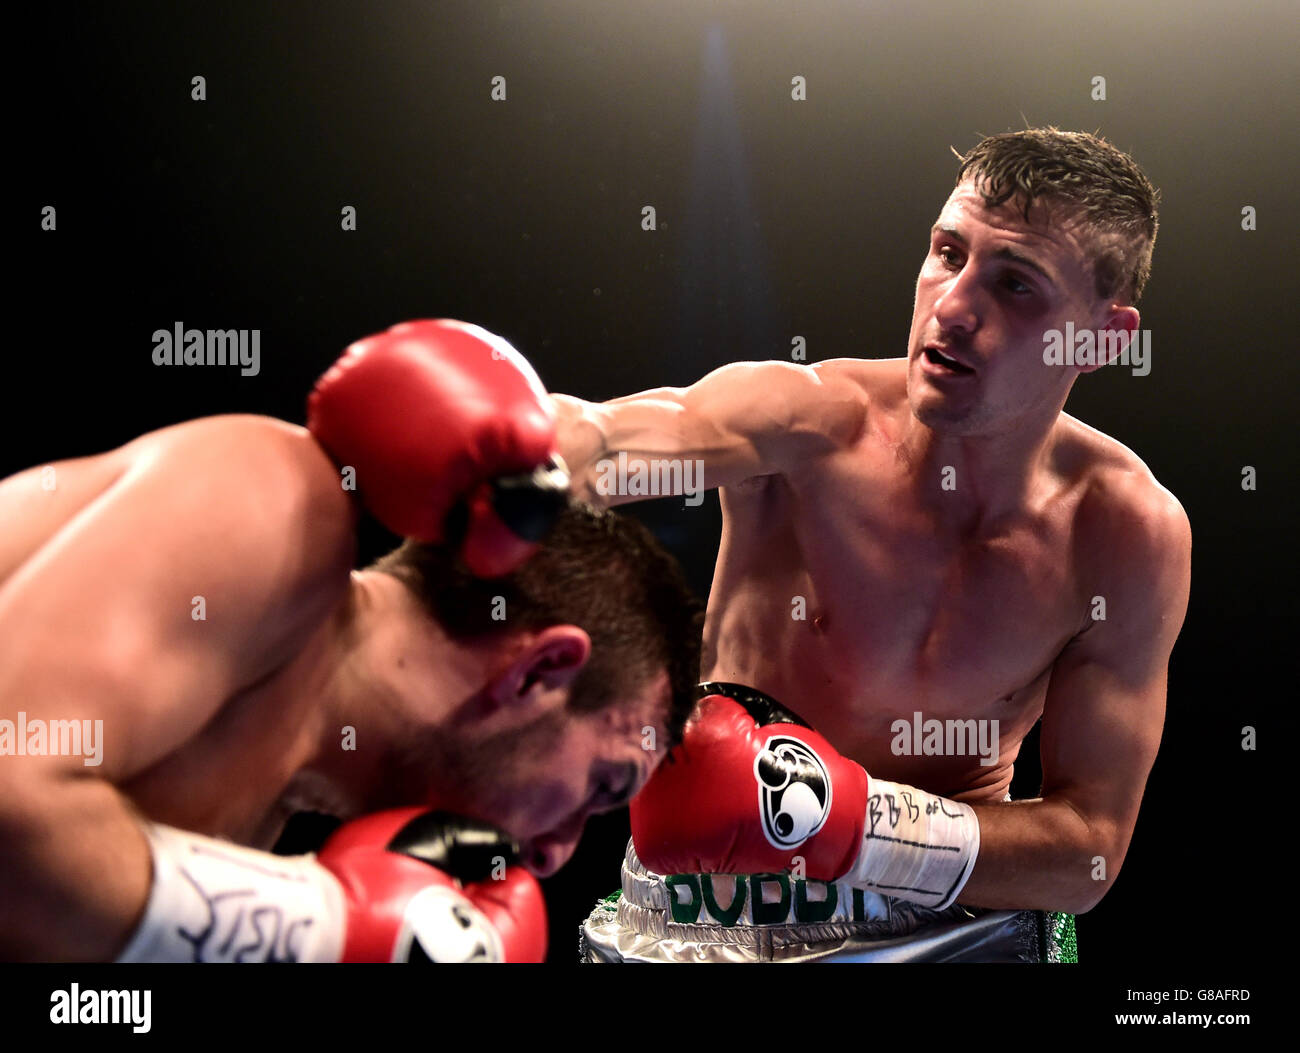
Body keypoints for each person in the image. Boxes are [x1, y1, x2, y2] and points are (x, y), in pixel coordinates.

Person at [557, 128, 1192, 962]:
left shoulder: (1121, 532)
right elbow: (603, 443)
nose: (954, 307)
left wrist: (848, 823)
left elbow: (1088, 851)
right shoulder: (805, 422)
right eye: (946, 252)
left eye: (1015, 285)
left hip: (950, 935)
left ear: (1104, 339)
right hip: (706, 918)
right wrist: (507, 447)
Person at [0, 319, 703, 962]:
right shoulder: (276, 504)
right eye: (601, 784)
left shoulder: (264, 818)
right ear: (541, 670)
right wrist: (326, 922)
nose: (555, 854)